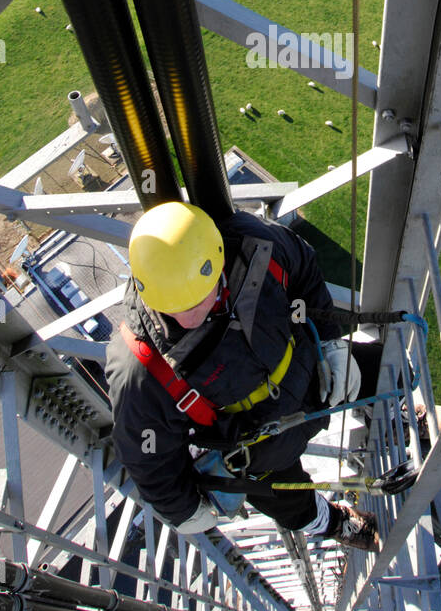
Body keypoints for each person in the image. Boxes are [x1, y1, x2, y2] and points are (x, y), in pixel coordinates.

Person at [105, 200, 383, 550]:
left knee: (386, 369)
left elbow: (303, 266)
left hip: (313, 372)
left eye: (204, 295)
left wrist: (330, 342)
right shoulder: (140, 368)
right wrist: (185, 509)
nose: (195, 314)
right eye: (179, 309)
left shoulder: (253, 247)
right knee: (296, 508)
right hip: (258, 450)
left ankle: (396, 415)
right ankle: (337, 523)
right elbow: (147, 458)